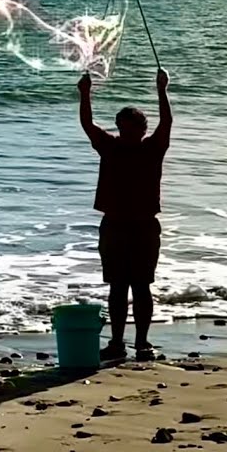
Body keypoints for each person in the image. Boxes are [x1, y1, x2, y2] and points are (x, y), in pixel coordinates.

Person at [77, 67, 171, 362]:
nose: (129, 132)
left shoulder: (145, 148)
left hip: (138, 227)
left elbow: (167, 121)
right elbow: (87, 124)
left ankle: (137, 343)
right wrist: (84, 94)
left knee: (136, 287)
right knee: (123, 287)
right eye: (125, 127)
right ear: (120, 128)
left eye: (133, 128)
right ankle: (123, 343)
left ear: (141, 130)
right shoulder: (121, 147)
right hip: (120, 226)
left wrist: (162, 90)